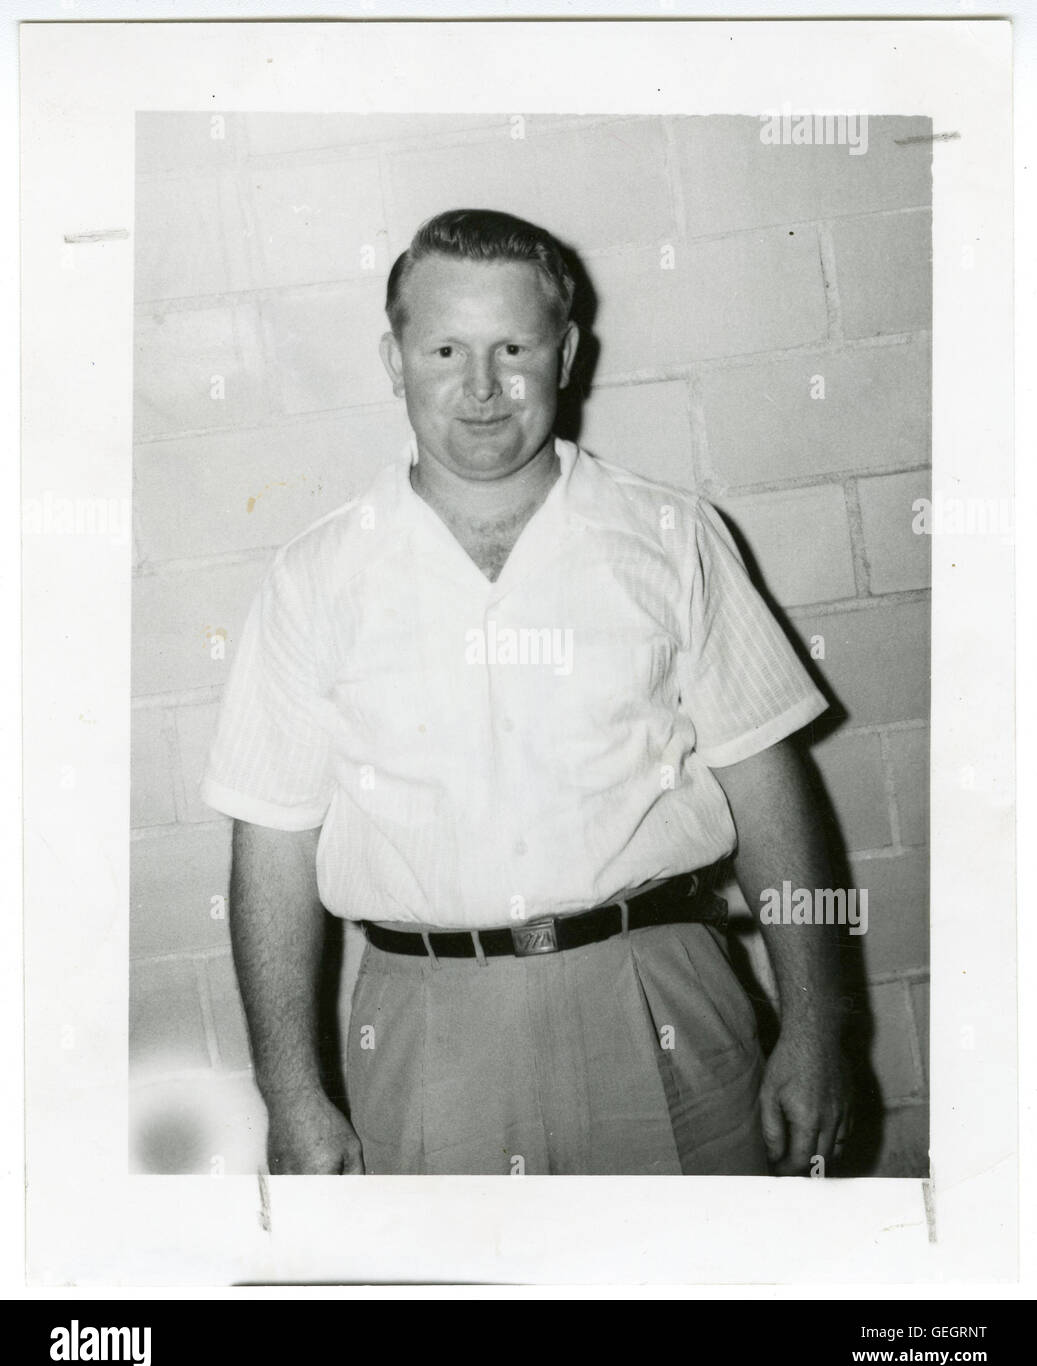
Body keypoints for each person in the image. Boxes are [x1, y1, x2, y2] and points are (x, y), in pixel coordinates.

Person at [201, 208, 850, 1177]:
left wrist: (816, 1029)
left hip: (661, 994)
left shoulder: (669, 537)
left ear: (567, 352)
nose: (480, 388)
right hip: (427, 1027)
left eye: (512, 346)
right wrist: (291, 1094)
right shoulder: (316, 577)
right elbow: (272, 851)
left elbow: (769, 790)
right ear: (394, 359)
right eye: (444, 349)